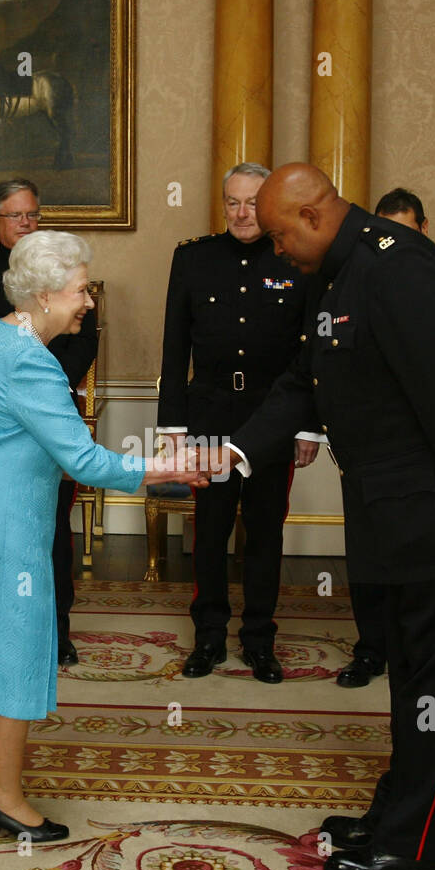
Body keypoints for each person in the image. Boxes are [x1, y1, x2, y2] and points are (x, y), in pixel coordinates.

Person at [203, 163, 435, 870]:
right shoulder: (340, 275)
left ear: (311, 216)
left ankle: (417, 844)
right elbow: (305, 381)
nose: (276, 252)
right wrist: (236, 450)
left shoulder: (400, 270)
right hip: (397, 511)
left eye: (279, 237)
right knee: (409, 673)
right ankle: (398, 811)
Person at [0, 230, 206, 843]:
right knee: (14, 651)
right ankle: (4, 796)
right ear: (46, 295)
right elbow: (86, 462)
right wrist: (166, 469)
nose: (88, 303)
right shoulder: (28, 360)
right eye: (80, 291)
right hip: (3, 527)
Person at [157, 162, 323, 685]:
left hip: (272, 417)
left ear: (270, 205)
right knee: (210, 532)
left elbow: (313, 351)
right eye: (233, 201)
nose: (242, 212)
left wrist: (308, 426)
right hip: (209, 415)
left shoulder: (294, 258)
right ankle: (208, 636)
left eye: (252, 202)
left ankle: (258, 639)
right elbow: (173, 346)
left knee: (265, 533)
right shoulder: (194, 258)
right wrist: (172, 426)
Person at [0, 178, 98, 666]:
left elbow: (84, 345)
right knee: (4, 532)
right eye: (17, 216)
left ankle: (55, 630)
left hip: (53, 412)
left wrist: (46, 389)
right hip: (0, 424)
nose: (27, 223)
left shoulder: (65, 271)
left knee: (51, 527)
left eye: (33, 214)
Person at [334, 187, 430, 689]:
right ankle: (371, 650)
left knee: (415, 571)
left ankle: (413, 656)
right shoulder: (355, 285)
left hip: (419, 458)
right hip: (366, 453)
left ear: (423, 230)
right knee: (366, 560)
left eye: (405, 232)